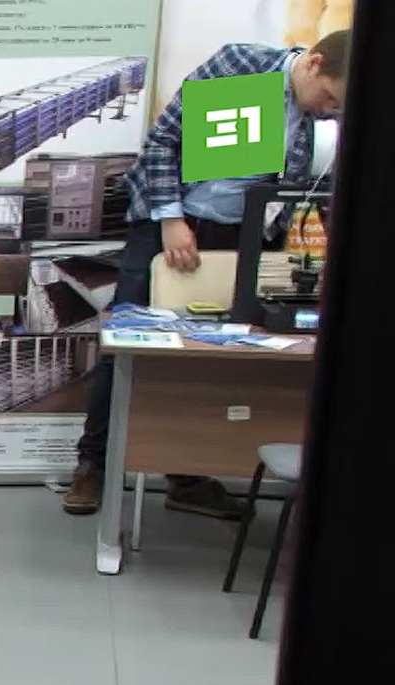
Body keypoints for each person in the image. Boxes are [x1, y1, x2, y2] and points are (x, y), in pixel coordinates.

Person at [63, 30, 349, 516]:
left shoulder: (313, 114)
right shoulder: (246, 68)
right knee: (127, 342)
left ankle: (186, 473)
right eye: (328, 98)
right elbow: (162, 145)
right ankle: (94, 464)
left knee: (211, 355)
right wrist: (172, 219)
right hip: (171, 220)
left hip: (239, 232)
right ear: (314, 64)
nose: (327, 111)